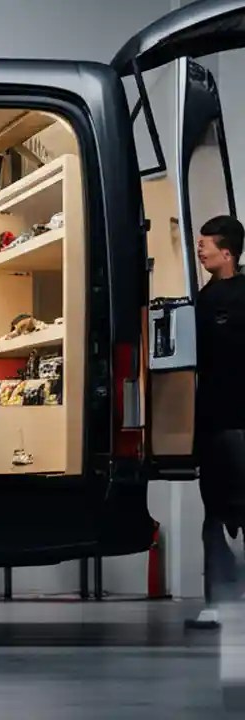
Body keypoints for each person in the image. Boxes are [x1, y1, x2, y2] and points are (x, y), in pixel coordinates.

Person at [188, 215, 245, 629]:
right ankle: (217, 601)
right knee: (213, 510)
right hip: (210, 421)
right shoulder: (202, 300)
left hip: (240, 422)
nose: (200, 249)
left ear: (228, 252)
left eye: (207, 244)